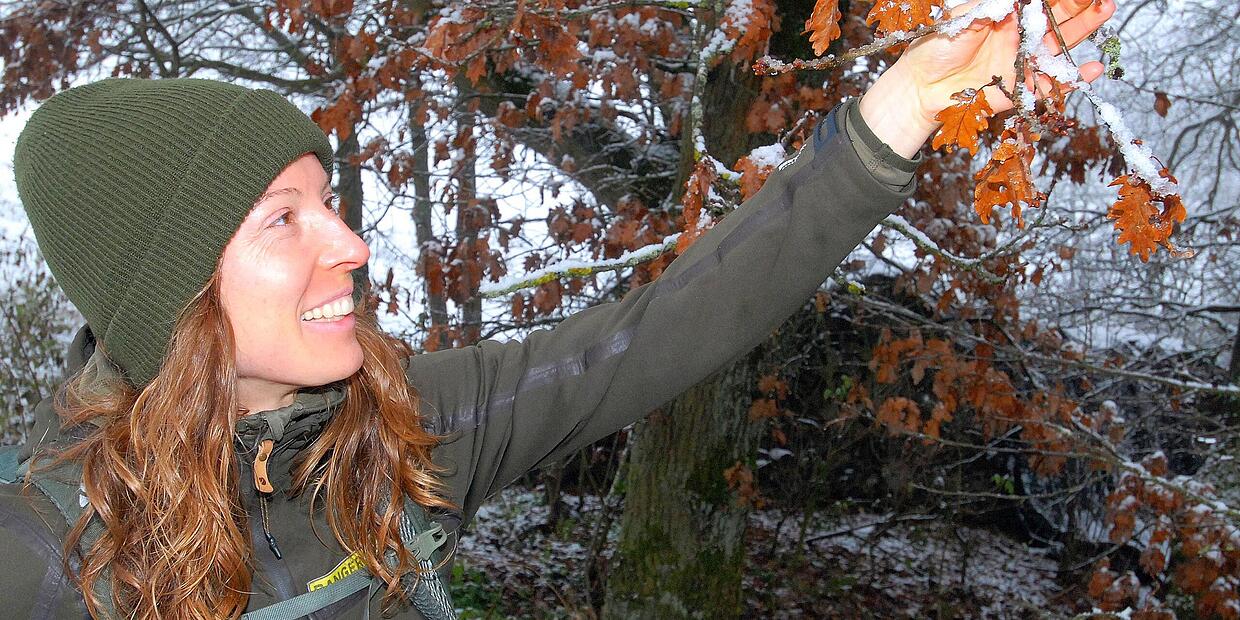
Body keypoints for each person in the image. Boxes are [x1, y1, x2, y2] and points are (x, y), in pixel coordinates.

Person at [0, 0, 1115, 617]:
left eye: (329, 200)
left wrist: (894, 115)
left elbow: (663, 328)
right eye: (282, 219)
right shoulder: (45, 554)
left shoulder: (398, 430)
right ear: (175, 292)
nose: (349, 243)